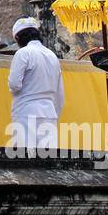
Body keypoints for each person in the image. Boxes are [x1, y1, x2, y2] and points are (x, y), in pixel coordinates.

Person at [7, 18, 64, 152]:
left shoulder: (23, 53)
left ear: (18, 38)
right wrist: (53, 113)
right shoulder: (52, 56)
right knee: (47, 159)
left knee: (24, 158)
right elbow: (59, 94)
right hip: (49, 114)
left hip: (26, 112)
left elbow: (14, 84)